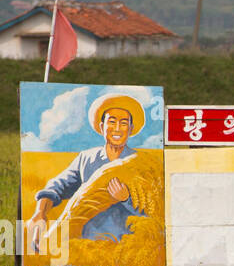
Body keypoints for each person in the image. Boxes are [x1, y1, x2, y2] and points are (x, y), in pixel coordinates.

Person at [26, 92, 147, 253]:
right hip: (85, 247)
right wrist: (40, 212)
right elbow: (58, 186)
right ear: (102, 126)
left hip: (127, 248)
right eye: (112, 121)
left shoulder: (140, 163)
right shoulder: (87, 158)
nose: (117, 128)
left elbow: (153, 211)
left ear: (130, 129)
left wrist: (126, 199)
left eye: (124, 123)